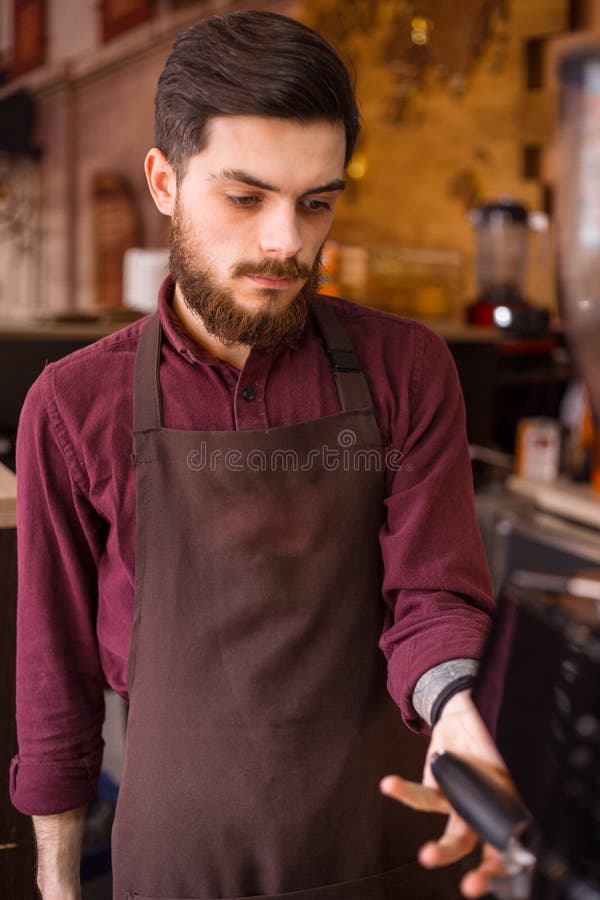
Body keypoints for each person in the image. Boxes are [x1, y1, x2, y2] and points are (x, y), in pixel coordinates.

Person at [11, 10, 508, 900]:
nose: (287, 241)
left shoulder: (408, 368)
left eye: (317, 202)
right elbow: (58, 684)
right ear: (165, 181)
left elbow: (431, 597)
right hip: (175, 870)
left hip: (385, 860)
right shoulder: (70, 407)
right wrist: (55, 885)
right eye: (245, 198)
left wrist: (462, 715)